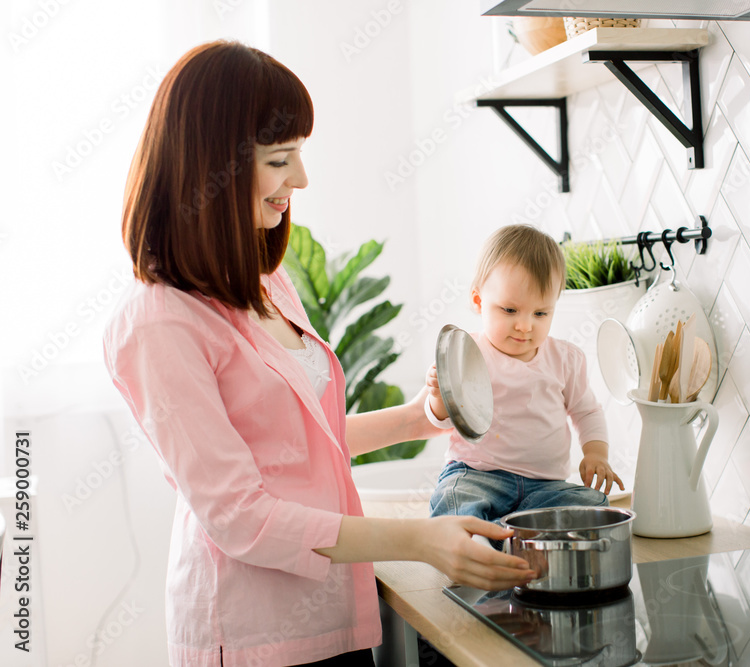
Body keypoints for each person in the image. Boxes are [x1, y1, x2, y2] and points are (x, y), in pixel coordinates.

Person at [103, 40, 534, 667]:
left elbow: (297, 447)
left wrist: (418, 418)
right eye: (281, 159)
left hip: (330, 618)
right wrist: (419, 539)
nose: (300, 179)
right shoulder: (159, 322)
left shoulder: (260, 281)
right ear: (210, 170)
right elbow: (240, 515)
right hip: (255, 636)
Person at [425, 225, 625, 535]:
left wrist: (596, 454)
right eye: (509, 310)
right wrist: (439, 398)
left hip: (546, 487)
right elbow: (444, 421)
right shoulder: (466, 353)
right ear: (478, 301)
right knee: (453, 500)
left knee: (593, 505)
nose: (524, 325)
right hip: (476, 476)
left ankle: (508, 538)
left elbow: (587, 411)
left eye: (541, 314)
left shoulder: (565, 360)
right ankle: (492, 540)